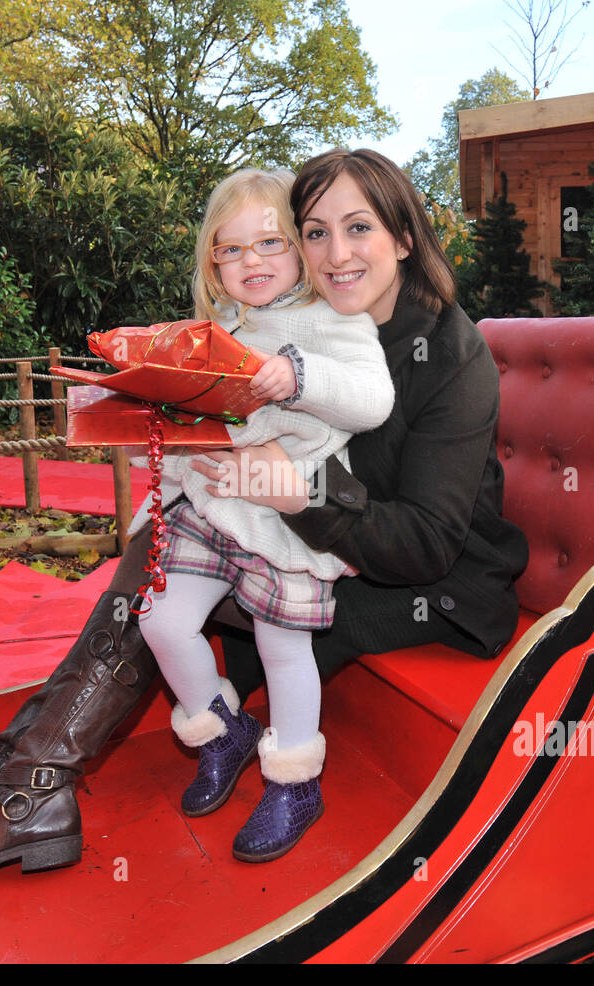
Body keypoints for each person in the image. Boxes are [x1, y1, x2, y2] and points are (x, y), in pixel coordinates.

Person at [0, 148, 529, 888]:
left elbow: (425, 544)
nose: (336, 253)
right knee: (160, 554)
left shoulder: (447, 352)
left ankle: (19, 786)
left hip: (420, 583)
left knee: (168, 558)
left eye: (359, 229)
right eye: (314, 232)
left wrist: (299, 493)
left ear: (405, 237)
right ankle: (7, 778)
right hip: (298, 537)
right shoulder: (295, 318)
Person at [130, 167, 394, 863]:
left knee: (284, 648)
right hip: (216, 506)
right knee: (158, 617)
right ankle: (223, 730)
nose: (252, 261)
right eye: (232, 248)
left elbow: (372, 399)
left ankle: (295, 780)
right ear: (212, 263)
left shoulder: (334, 321)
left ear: (302, 252)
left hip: (288, 519)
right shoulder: (212, 330)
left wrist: (300, 375)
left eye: (271, 243)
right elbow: (192, 416)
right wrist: (149, 424)